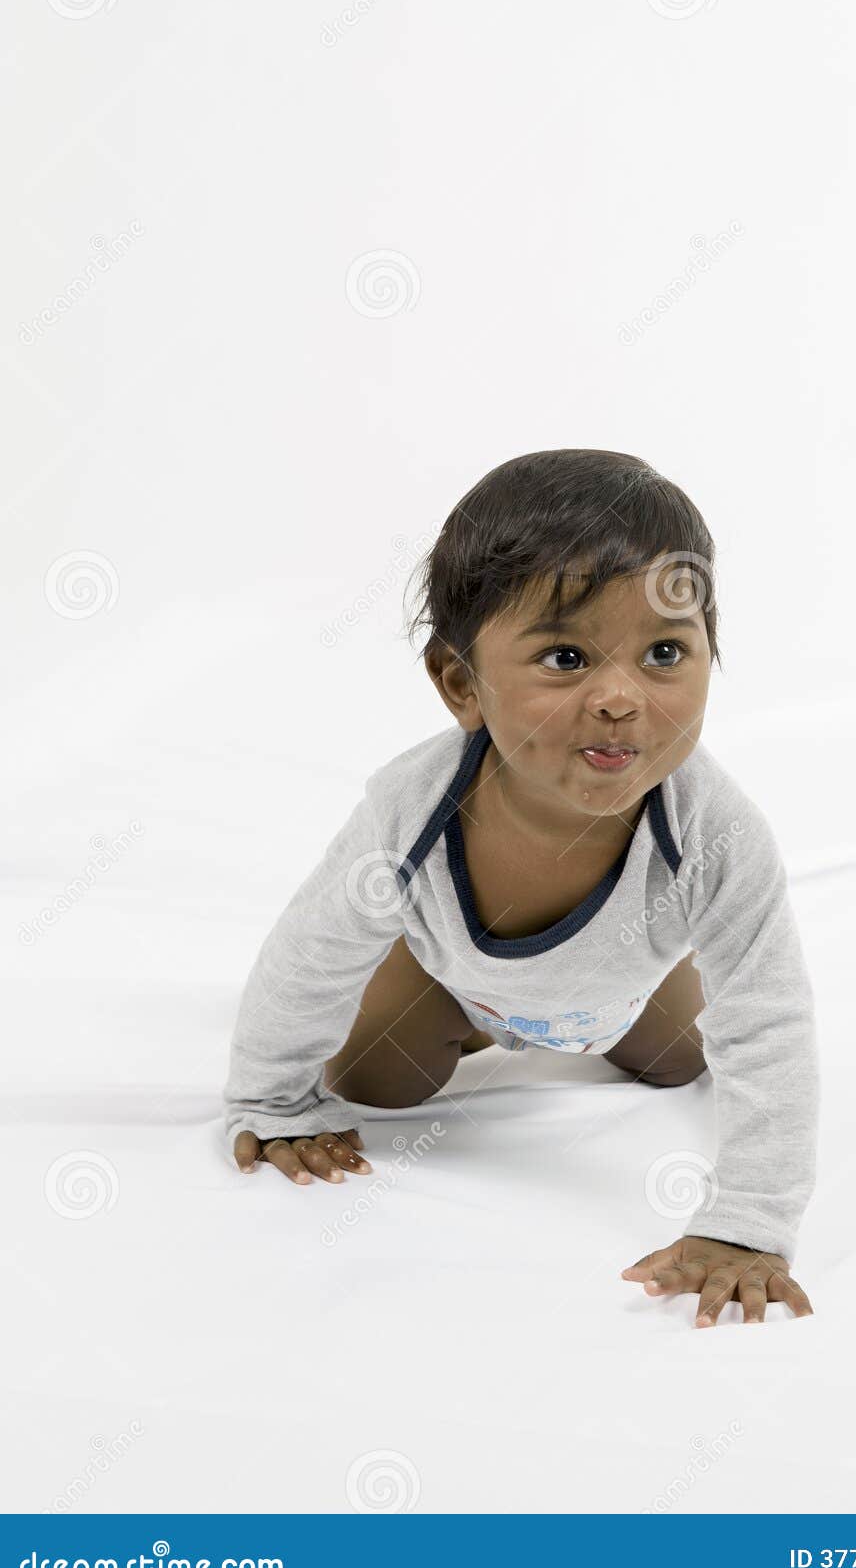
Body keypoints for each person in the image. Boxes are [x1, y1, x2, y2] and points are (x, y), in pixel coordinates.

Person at [223, 449, 819, 1328]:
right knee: (372, 1082)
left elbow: (766, 1023)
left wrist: (748, 1224)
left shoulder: (714, 829)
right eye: (566, 657)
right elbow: (307, 955)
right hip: (449, 977)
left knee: (685, 1061)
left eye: (664, 652)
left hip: (630, 982)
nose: (620, 698)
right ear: (461, 684)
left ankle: (617, 996)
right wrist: (269, 1100)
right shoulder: (408, 812)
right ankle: (465, 1006)